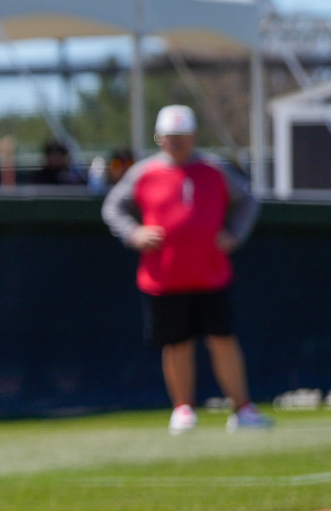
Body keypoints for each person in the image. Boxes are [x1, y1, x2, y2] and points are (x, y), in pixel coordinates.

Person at [102, 104, 270, 434]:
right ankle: (183, 409)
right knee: (176, 343)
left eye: (182, 136)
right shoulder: (144, 172)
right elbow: (113, 207)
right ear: (159, 139)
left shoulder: (214, 169)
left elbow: (248, 200)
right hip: (164, 278)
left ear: (193, 137)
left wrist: (234, 234)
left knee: (223, 339)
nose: (176, 142)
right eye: (170, 137)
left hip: (211, 274)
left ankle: (243, 409)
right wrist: (134, 234)